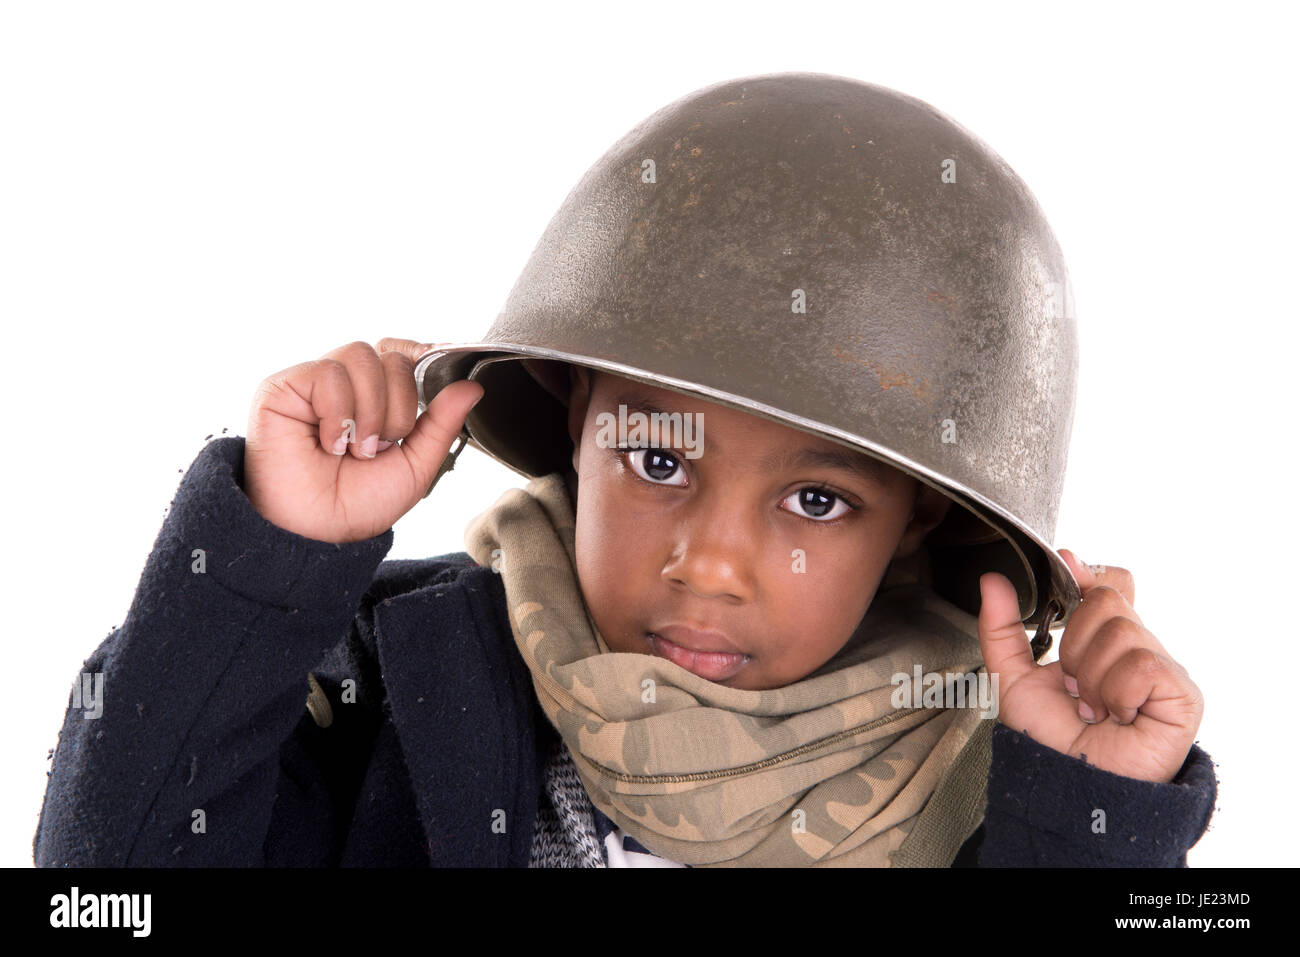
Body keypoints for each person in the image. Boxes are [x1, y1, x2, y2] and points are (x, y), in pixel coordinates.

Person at [34, 73, 1217, 868]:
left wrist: (1083, 822)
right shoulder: (376, 687)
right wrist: (271, 566)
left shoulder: (989, 781)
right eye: (658, 457)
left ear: (919, 523)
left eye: (816, 500)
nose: (709, 563)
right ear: (573, 407)